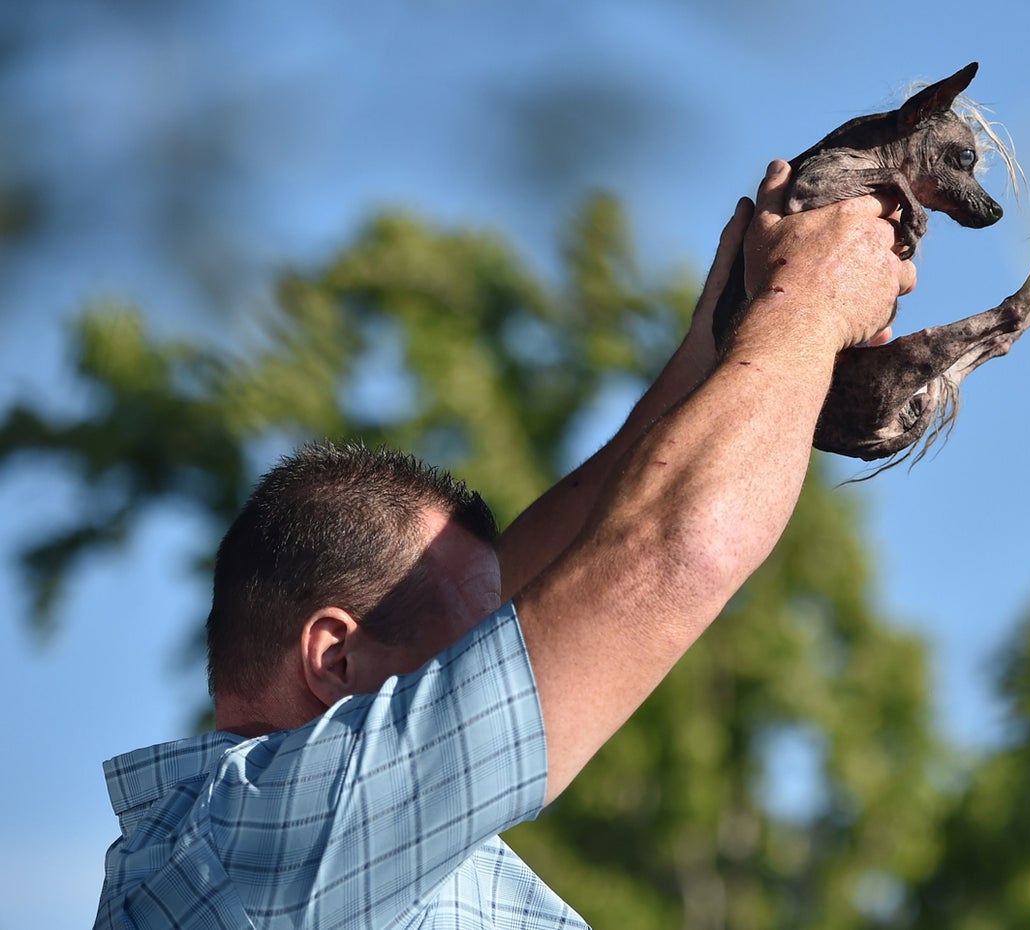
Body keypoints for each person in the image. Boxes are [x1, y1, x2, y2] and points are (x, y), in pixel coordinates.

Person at [93, 160, 916, 928]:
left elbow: (579, 566)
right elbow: (667, 557)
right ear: (335, 661)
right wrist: (805, 307)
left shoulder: (294, 851)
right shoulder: (270, 842)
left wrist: (720, 344)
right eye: (470, 657)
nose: (505, 660)